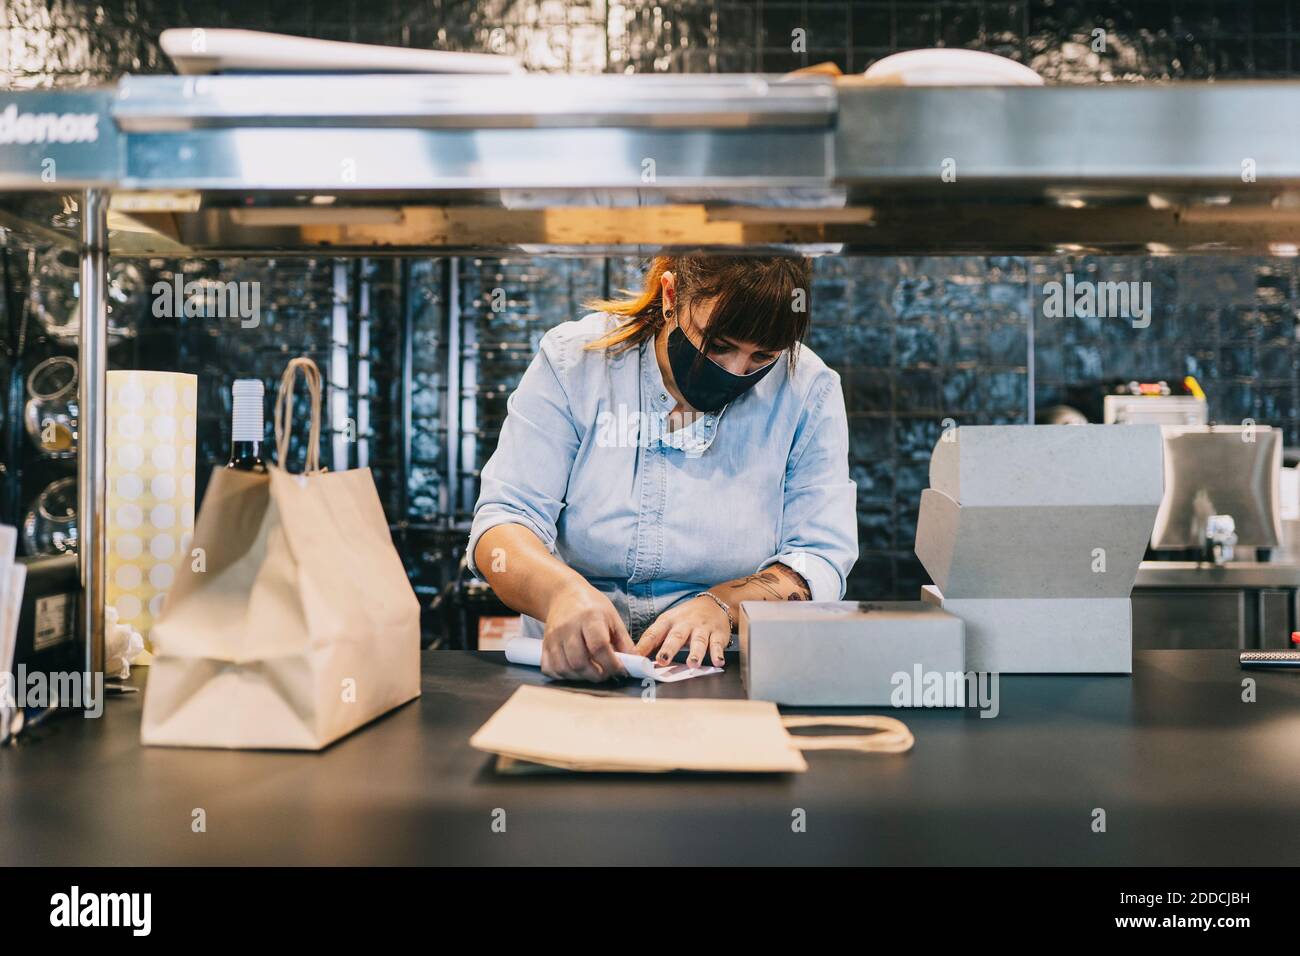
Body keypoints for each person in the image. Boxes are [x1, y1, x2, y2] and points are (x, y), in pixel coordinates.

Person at [467, 255, 856, 681]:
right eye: (719, 345)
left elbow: (820, 555)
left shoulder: (809, 390)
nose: (734, 371)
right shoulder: (573, 363)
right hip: (576, 670)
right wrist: (560, 593)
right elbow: (504, 523)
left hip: (724, 674)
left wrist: (722, 605)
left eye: (762, 357)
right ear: (671, 296)